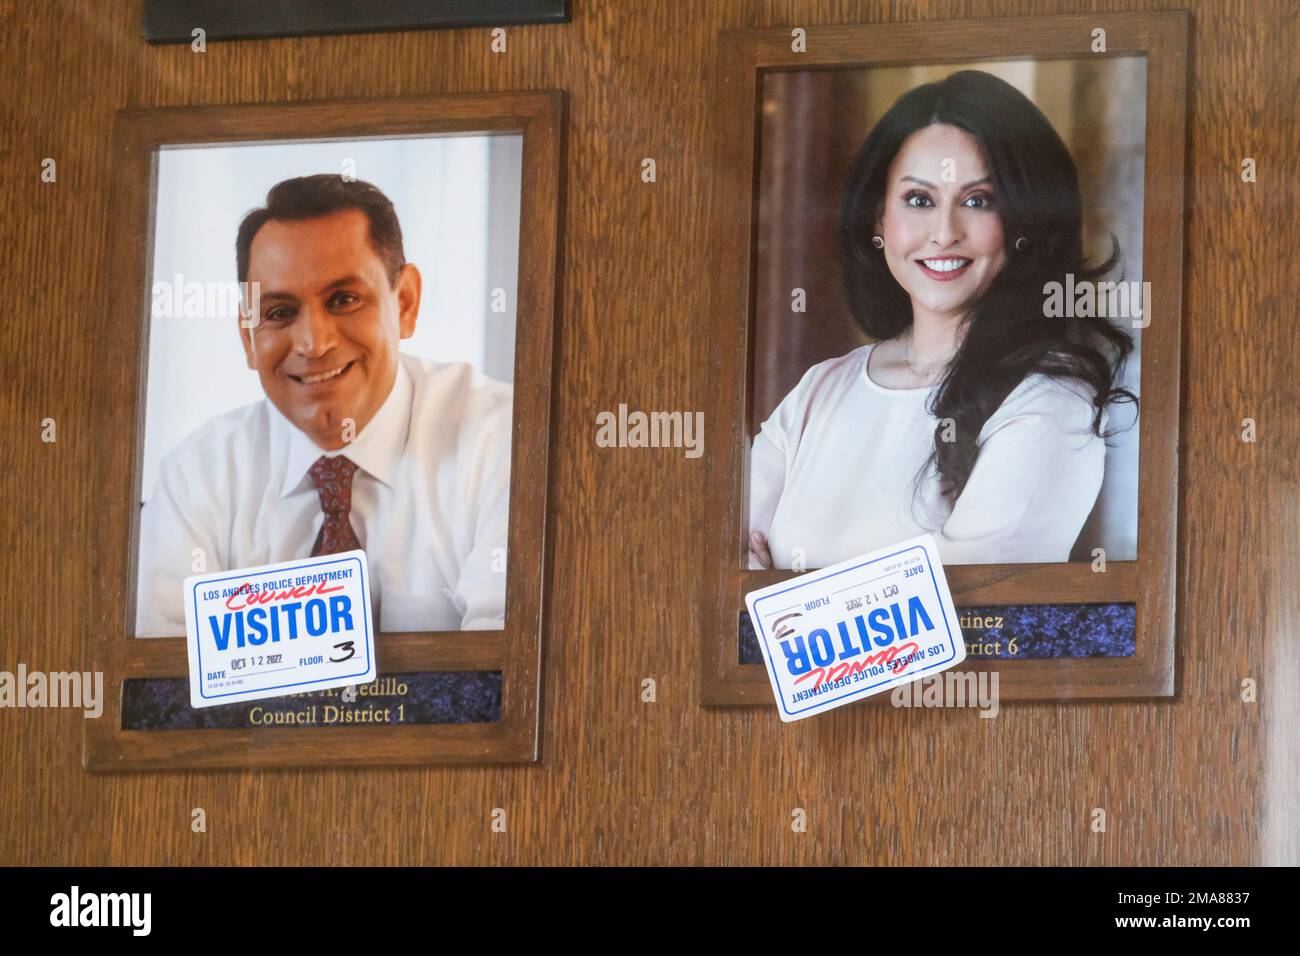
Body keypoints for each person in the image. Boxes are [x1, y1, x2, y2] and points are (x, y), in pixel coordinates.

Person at [748, 70, 1136, 571]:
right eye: (919, 200)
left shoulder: (1051, 403)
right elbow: (719, 579)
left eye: (977, 201)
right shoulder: (819, 390)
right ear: (878, 219)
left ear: (1025, 220)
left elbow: (954, 616)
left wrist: (775, 599)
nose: (944, 233)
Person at [136, 174, 512, 635]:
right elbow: (162, 689)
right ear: (248, 337)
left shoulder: (502, 441)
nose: (313, 344)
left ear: (406, 303)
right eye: (279, 312)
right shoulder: (196, 477)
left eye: (344, 299)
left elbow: (507, 678)